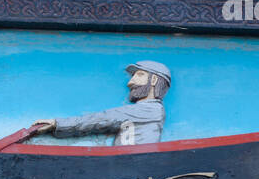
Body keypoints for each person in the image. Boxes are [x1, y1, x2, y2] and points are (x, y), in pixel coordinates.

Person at [34, 60, 170, 145]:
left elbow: (103, 119)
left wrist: (58, 124)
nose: (130, 82)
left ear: (154, 80)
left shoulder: (150, 110)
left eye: (139, 75)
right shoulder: (148, 110)